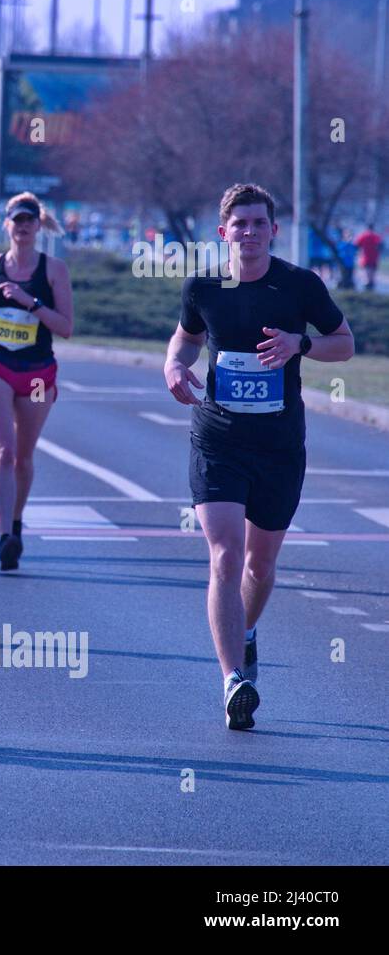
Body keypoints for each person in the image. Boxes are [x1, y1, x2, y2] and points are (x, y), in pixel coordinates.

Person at [164, 183, 353, 731]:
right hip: (218, 437)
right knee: (225, 555)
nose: (249, 232)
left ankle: (245, 633)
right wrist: (175, 367)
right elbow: (186, 339)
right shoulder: (204, 286)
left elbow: (345, 342)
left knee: (259, 564)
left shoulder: (299, 285)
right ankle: (233, 682)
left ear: (274, 230)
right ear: (223, 233)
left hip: (277, 444)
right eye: (238, 224)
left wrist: (303, 345)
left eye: (258, 223)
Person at [0, 192, 73, 571]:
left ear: (37, 225)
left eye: (30, 219)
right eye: (17, 219)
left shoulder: (54, 269)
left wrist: (30, 302)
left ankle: (16, 522)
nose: (23, 226)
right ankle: (3, 538)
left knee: (23, 457)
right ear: (7, 225)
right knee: (3, 451)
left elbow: (66, 328)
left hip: (36, 373)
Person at [354, 221, 381, 292]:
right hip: (374, 256)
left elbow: (357, 244)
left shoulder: (363, 235)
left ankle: (367, 283)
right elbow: (380, 245)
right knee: (372, 270)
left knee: (366, 270)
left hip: (365, 256)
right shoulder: (376, 236)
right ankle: (371, 283)